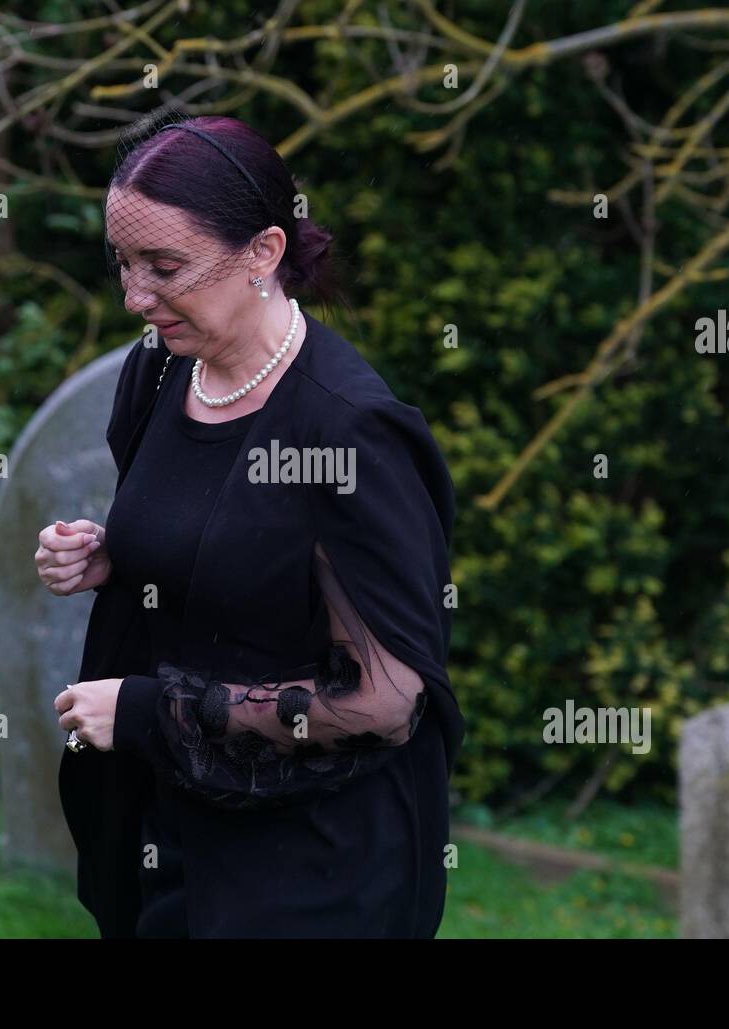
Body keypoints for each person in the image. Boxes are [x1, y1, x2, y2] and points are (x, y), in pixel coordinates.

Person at [37, 115, 464, 938]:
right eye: (122, 263)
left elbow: (383, 700)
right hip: (176, 837)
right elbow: (224, 546)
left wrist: (149, 713)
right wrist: (112, 554)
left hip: (316, 870)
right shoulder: (159, 371)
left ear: (264, 253)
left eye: (165, 267)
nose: (134, 296)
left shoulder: (347, 433)